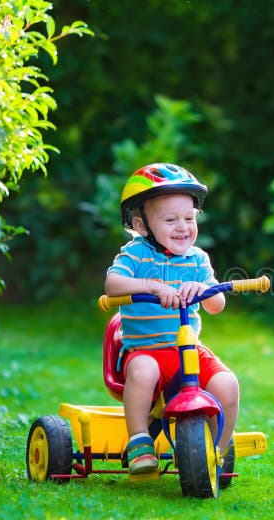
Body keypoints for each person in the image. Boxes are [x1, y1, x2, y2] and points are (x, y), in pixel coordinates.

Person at [105, 163, 238, 475]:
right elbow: (112, 284)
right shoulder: (135, 254)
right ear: (142, 225)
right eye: (170, 219)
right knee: (142, 370)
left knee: (228, 384)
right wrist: (151, 286)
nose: (183, 227)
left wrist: (202, 288)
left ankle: (218, 450)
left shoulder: (198, 259)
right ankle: (139, 441)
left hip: (187, 352)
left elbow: (217, 304)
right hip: (146, 350)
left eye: (189, 218)